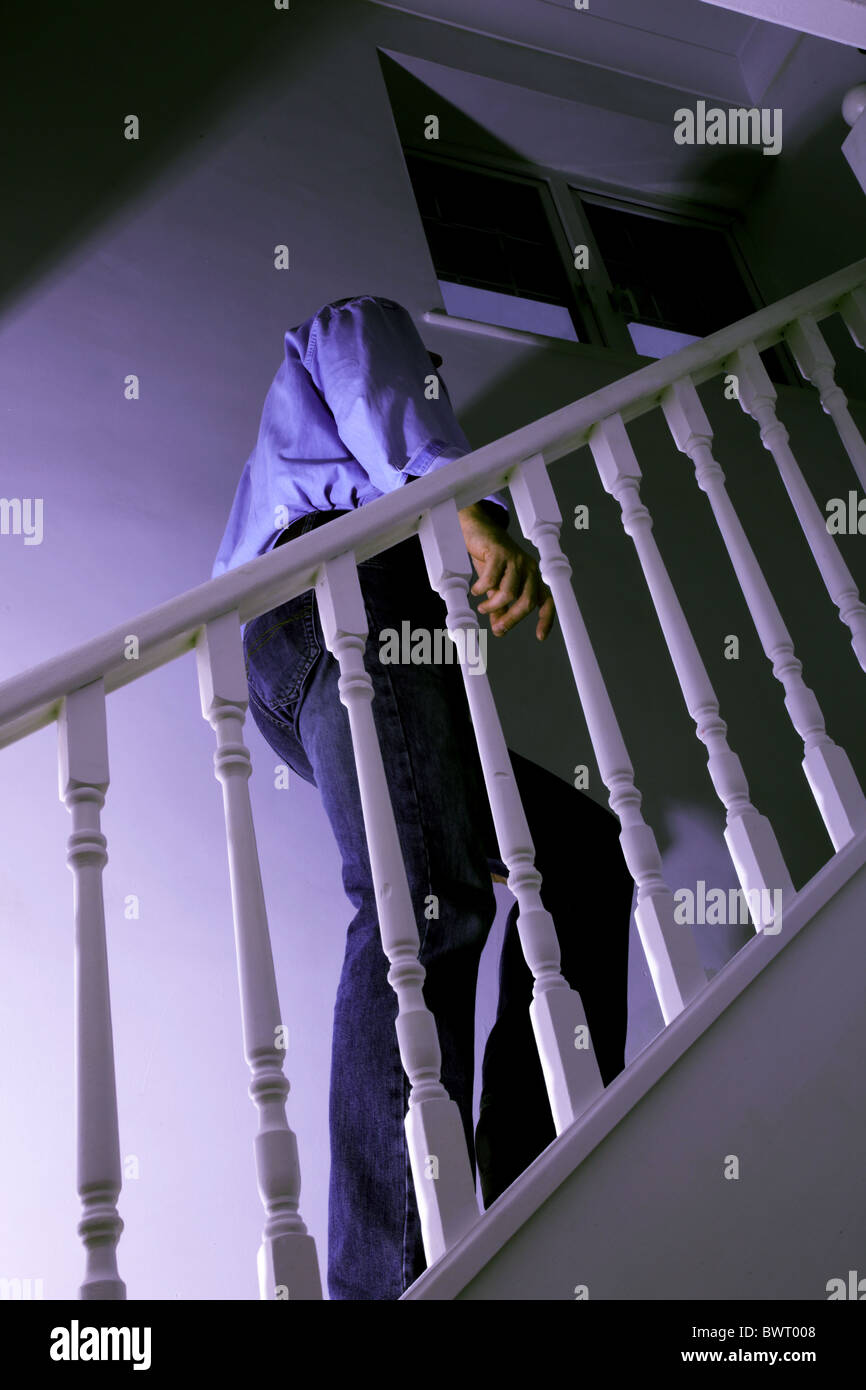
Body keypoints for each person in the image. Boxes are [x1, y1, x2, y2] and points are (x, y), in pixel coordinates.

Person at [213, 294, 632, 1300]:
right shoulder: (376, 325)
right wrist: (466, 509)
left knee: (577, 846)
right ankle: (377, 1279)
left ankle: (534, 1168)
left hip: (299, 637)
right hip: (341, 594)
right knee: (425, 902)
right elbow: (358, 362)